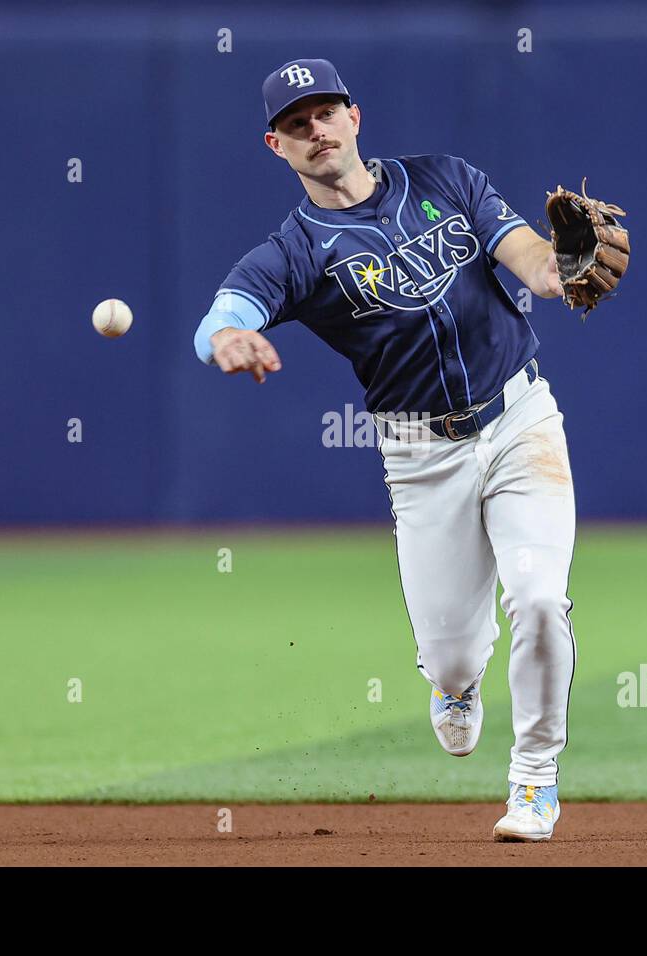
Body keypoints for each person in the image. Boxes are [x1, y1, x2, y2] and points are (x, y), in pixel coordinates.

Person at [193, 58, 577, 841]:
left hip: (520, 422)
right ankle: (454, 684)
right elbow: (221, 316)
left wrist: (561, 267)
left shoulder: (448, 180)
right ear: (277, 145)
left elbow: (534, 262)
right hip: (420, 455)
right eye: (297, 123)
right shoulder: (296, 253)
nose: (317, 129)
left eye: (326, 112)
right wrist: (229, 340)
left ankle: (535, 781)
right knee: (451, 658)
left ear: (355, 117)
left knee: (538, 599)